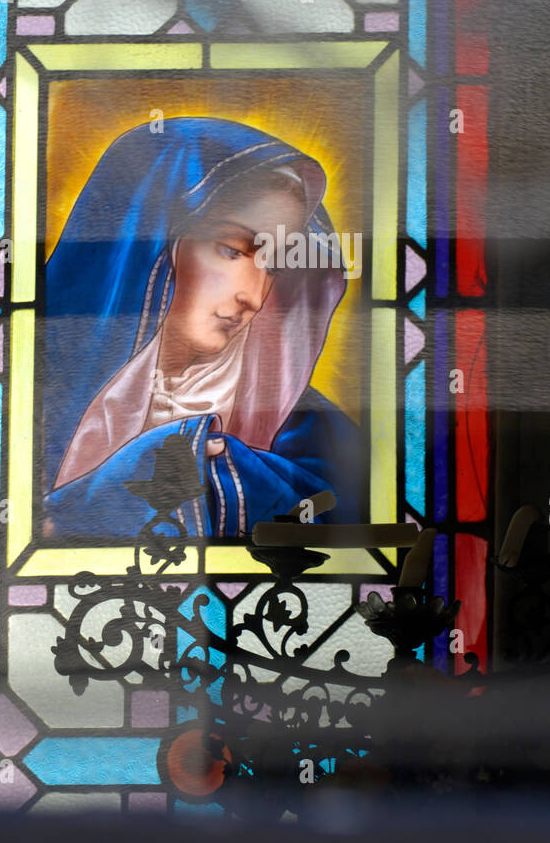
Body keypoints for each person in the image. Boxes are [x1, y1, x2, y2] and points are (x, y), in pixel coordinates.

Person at [42, 116, 362, 538]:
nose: (254, 297)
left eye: (275, 266)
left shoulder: (315, 434)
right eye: (231, 250)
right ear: (151, 245)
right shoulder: (25, 407)